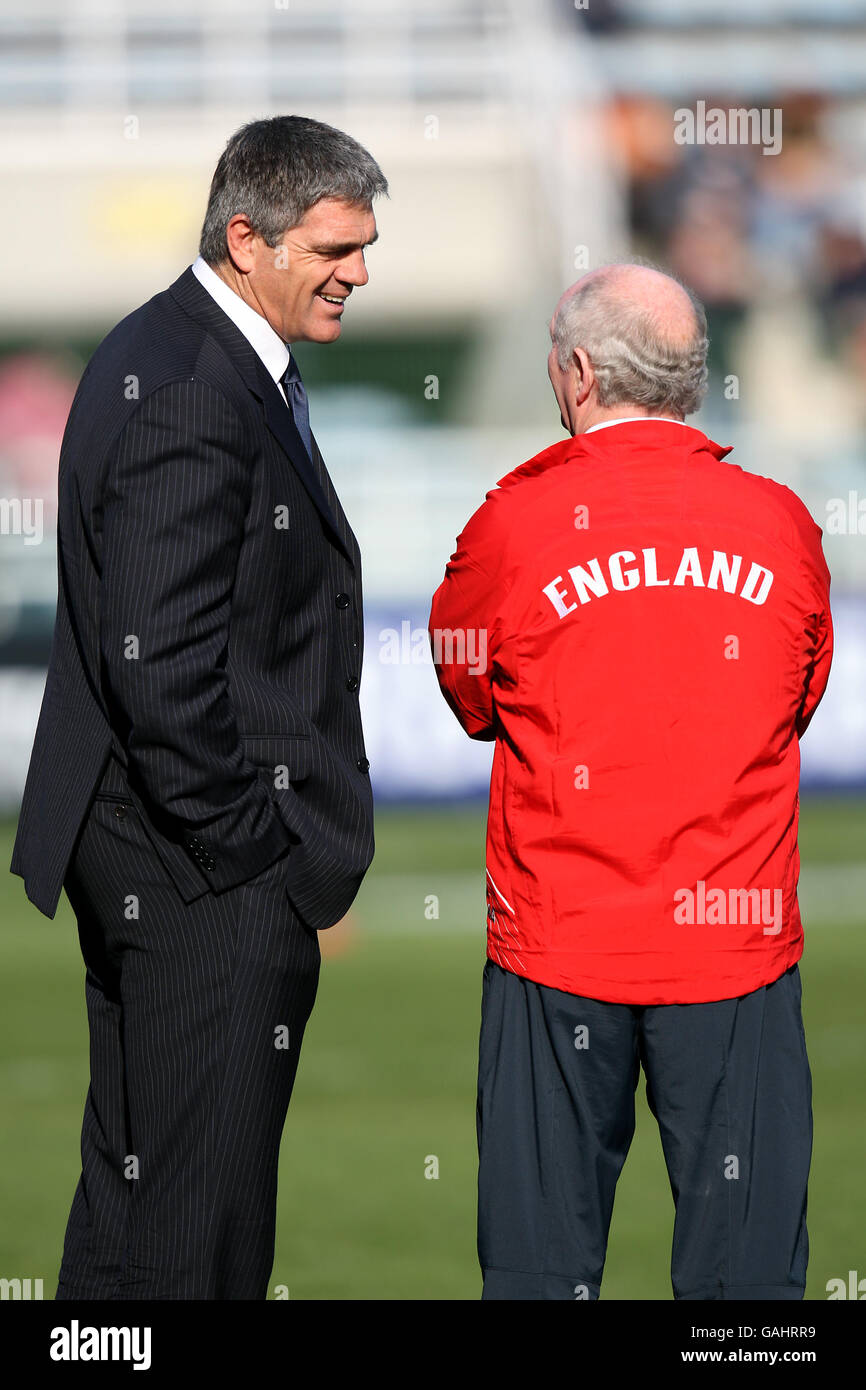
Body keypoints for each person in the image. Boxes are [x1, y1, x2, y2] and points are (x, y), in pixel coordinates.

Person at [10, 114, 387, 1300]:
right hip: (196, 875)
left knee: (130, 1221)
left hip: (157, 859)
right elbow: (159, 668)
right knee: (197, 1236)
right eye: (334, 248)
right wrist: (251, 858)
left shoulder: (179, 352)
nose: (359, 273)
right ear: (246, 238)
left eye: (365, 245)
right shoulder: (189, 384)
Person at [429, 262, 833, 1301]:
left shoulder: (512, 526)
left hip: (558, 947)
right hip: (733, 956)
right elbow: (796, 697)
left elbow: (467, 694)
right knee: (746, 1299)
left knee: (536, 1277)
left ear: (573, 374)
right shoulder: (778, 523)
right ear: (691, 380)